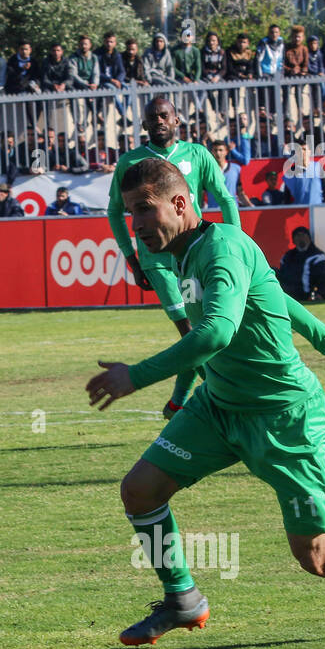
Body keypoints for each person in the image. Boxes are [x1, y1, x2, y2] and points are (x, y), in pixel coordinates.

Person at [87, 157, 325, 644]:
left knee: (318, 555)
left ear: (179, 202)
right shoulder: (184, 251)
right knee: (140, 491)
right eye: (130, 212)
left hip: (282, 417)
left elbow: (214, 333)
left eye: (145, 210)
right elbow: (271, 293)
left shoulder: (222, 248)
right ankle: (183, 600)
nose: (138, 224)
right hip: (218, 407)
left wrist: (138, 375)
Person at [109, 97, 241, 418]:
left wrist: (235, 243)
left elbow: (224, 198)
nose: (158, 121)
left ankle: (180, 402)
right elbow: (114, 211)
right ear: (143, 124)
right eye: (152, 117)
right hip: (157, 260)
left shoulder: (196, 155)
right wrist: (132, 258)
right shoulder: (131, 162)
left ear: (177, 120)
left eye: (164, 115)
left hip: (193, 253)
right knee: (189, 330)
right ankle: (215, 397)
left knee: (200, 330)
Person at [278, 226, 325, 301]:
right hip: (288, 296)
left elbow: (324, 279)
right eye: (297, 236)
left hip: (306, 296)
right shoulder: (287, 256)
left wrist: (321, 294)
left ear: (309, 238)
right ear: (293, 240)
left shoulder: (317, 256)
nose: (300, 238)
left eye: (303, 235)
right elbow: (282, 276)